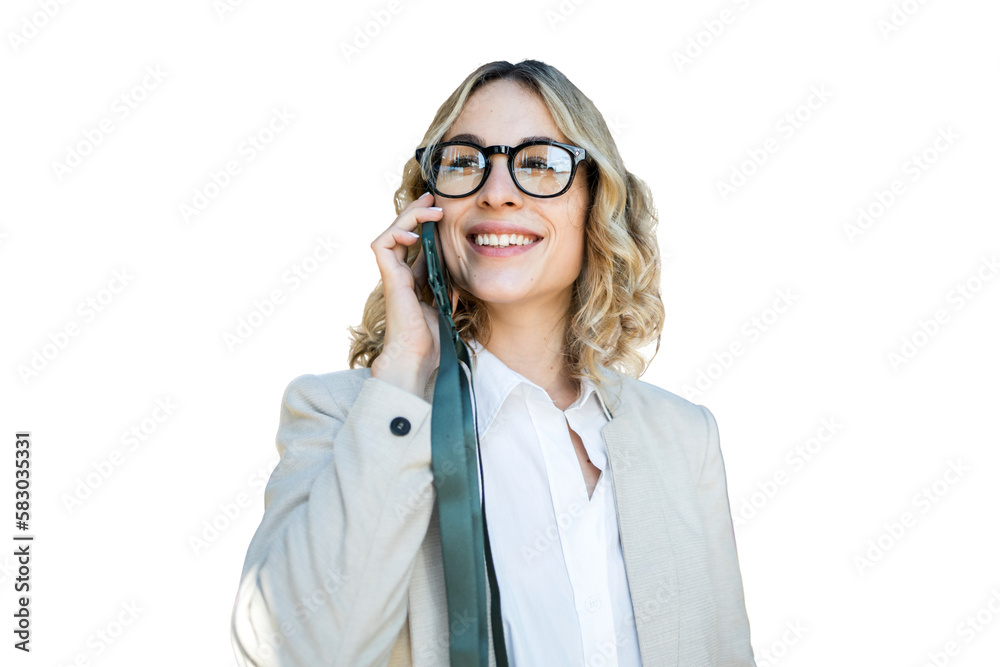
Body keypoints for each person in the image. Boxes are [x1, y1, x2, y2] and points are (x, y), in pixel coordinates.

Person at [230, 59, 756, 666]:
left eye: (539, 162)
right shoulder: (344, 416)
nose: (497, 191)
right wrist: (404, 366)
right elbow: (294, 650)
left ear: (596, 203)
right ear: (429, 211)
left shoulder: (682, 437)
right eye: (463, 162)